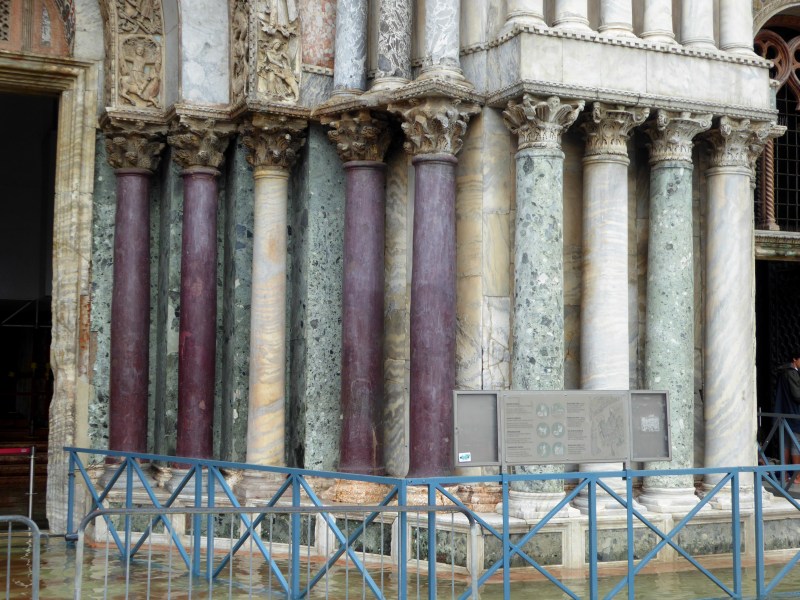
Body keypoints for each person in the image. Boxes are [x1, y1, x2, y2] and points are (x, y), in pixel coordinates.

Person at [773, 352, 800, 482]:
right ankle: (798, 476)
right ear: (795, 359)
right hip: (794, 414)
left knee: (786, 444)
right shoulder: (792, 373)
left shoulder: (783, 372)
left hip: (783, 414)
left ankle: (784, 475)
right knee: (796, 444)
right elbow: (797, 395)